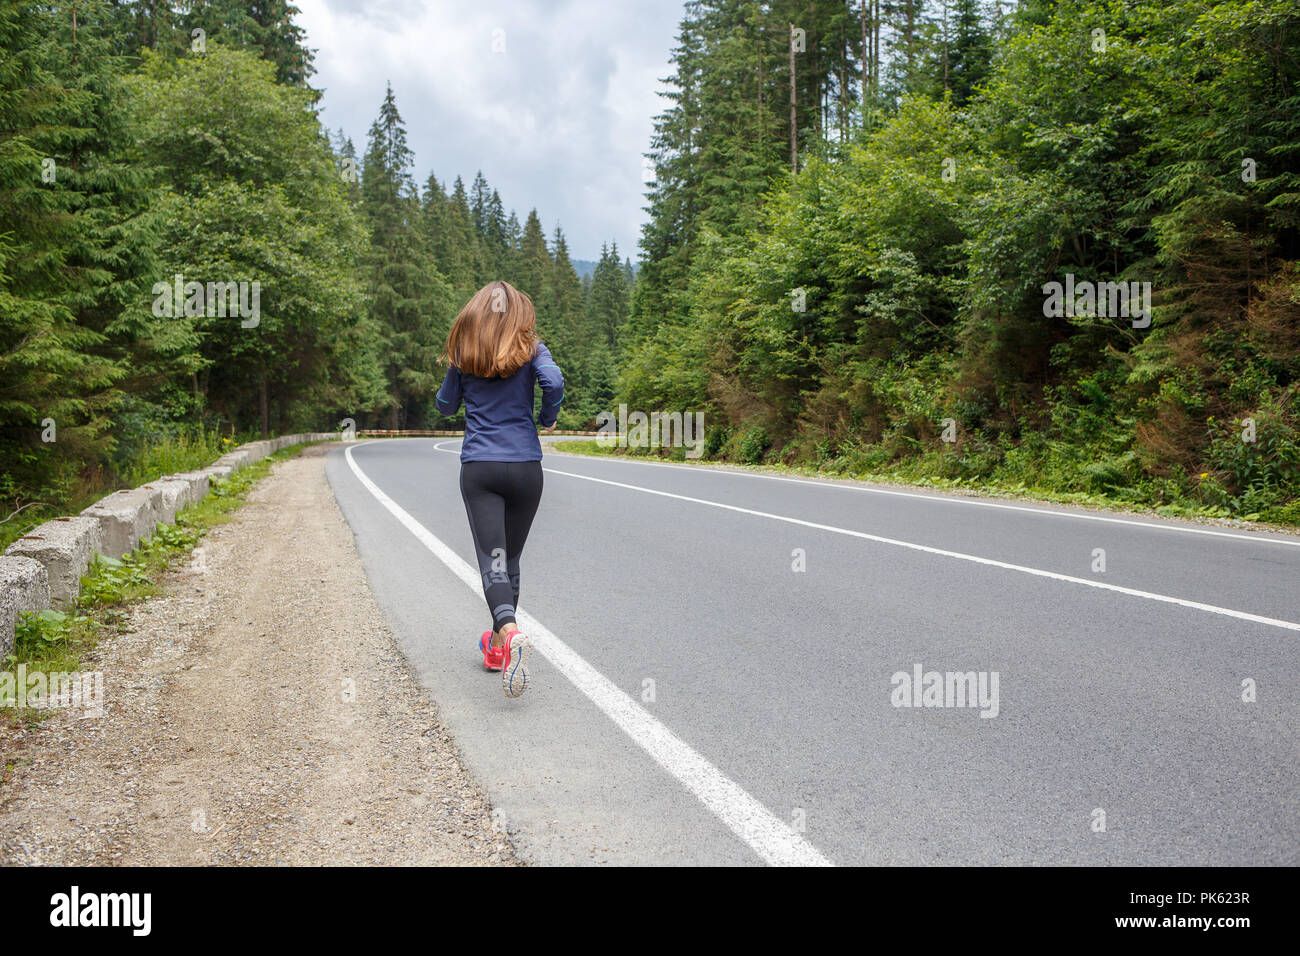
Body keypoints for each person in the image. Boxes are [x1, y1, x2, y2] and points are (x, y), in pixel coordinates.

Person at [435, 280, 564, 698]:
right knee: (510, 560)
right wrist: (547, 415)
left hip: (481, 467)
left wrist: (458, 374)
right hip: (527, 467)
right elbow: (554, 381)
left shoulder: (464, 355)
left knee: (493, 560)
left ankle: (508, 633)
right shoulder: (532, 350)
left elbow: (444, 406)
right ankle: (497, 648)